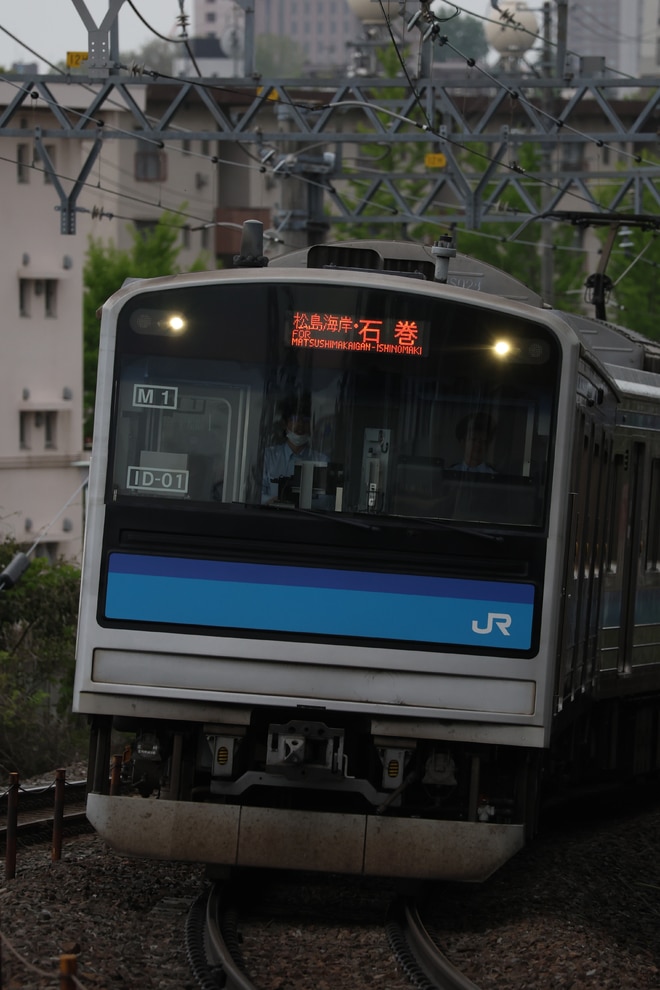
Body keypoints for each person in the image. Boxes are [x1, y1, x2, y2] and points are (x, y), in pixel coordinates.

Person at [261, 404, 327, 503]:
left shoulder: (322, 460)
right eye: (295, 419)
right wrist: (271, 501)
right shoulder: (268, 456)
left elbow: (326, 500)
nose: (300, 424)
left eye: (305, 420)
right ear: (285, 424)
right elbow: (256, 493)